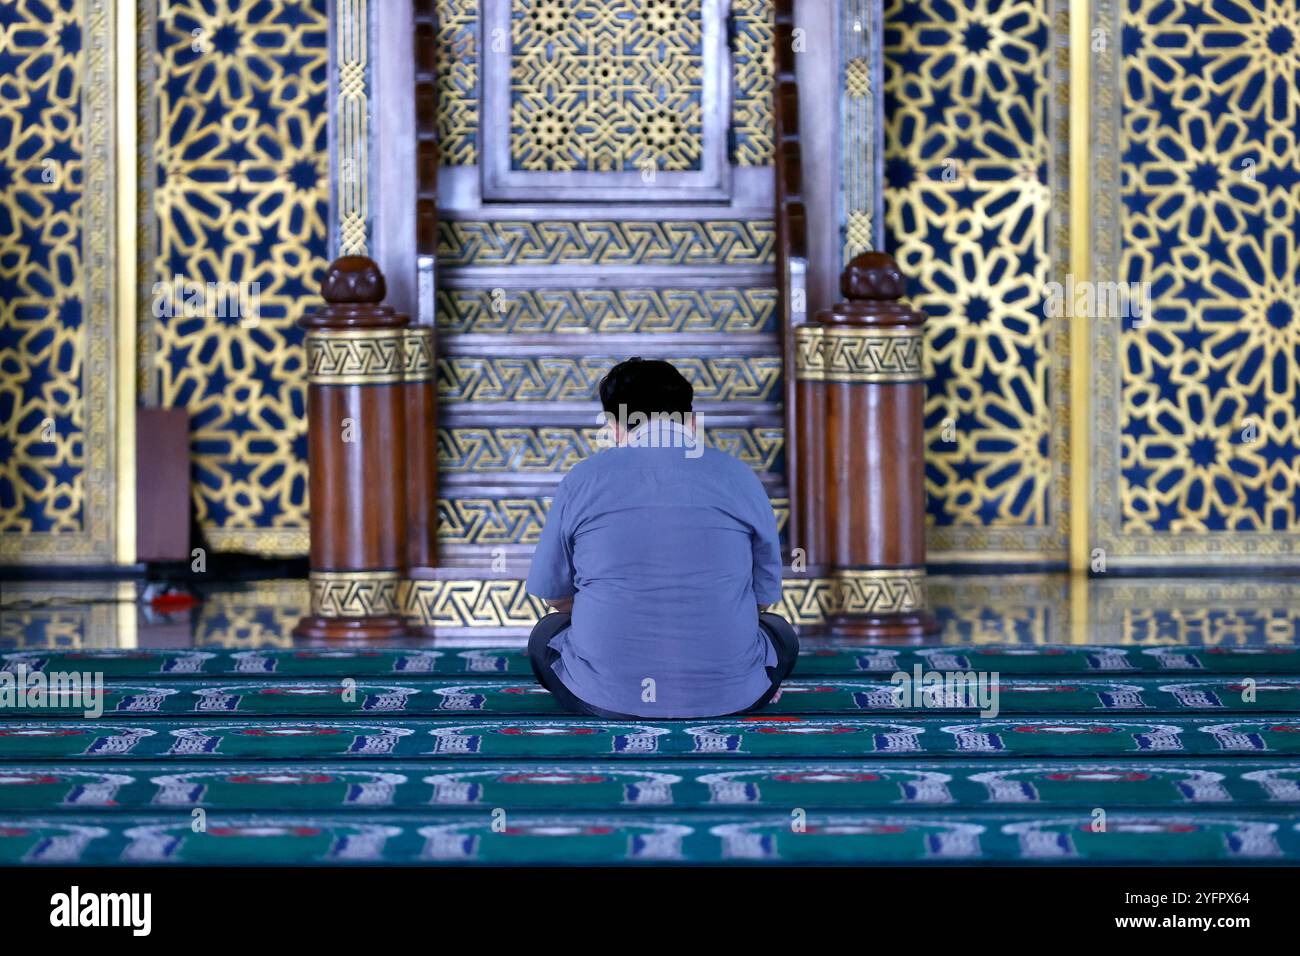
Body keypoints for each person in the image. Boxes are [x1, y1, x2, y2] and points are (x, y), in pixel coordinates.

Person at [524, 357, 799, 719]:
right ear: (690, 421)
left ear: (614, 426)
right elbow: (762, 600)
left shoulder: (582, 478)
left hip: (601, 695)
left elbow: (555, 595)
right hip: (733, 695)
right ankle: (752, 680)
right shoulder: (740, 476)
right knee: (780, 633)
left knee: (545, 635)